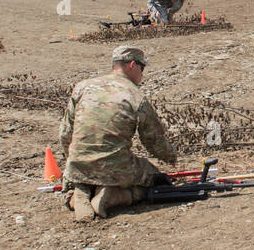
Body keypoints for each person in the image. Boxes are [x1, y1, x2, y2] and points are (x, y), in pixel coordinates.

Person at [59, 45, 178, 221]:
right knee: (154, 179)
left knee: (84, 176)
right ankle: (113, 197)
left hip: (77, 165)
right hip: (116, 167)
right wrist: (172, 157)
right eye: (142, 68)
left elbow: (65, 132)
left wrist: (72, 159)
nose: (142, 74)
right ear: (132, 65)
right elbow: (153, 141)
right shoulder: (135, 96)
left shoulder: (82, 87)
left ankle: (79, 195)